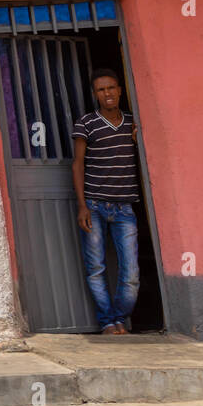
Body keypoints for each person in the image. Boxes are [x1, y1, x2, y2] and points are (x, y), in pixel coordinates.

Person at [72, 69, 141, 335]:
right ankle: (108, 323)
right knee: (96, 268)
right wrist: (82, 205)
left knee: (131, 273)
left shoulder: (133, 124)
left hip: (125, 207)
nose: (107, 93)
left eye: (111, 88)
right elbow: (78, 165)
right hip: (95, 205)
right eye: (101, 90)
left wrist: (138, 141)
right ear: (95, 94)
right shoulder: (86, 123)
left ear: (121, 90)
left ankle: (118, 317)